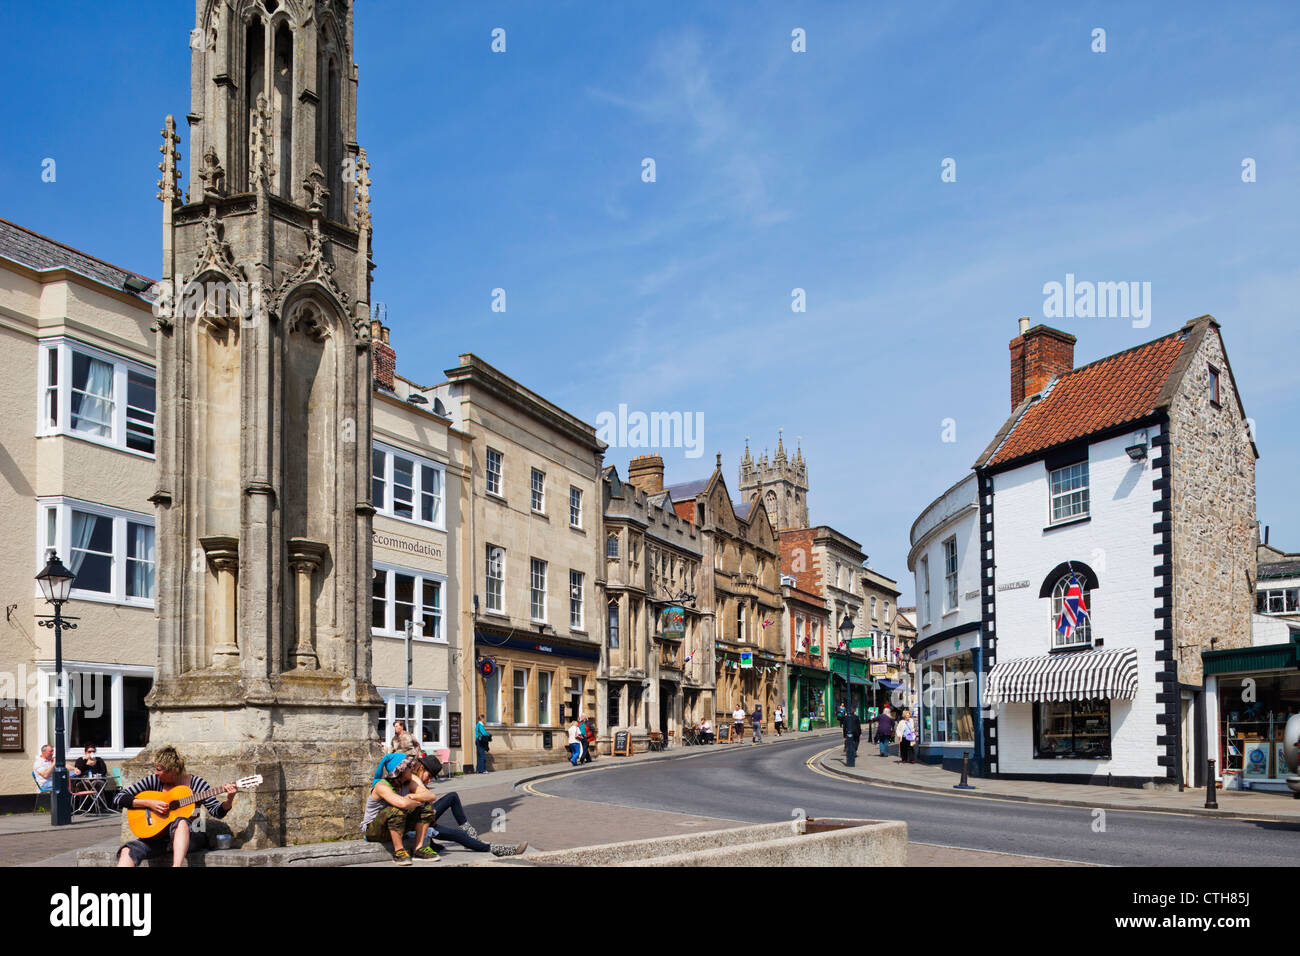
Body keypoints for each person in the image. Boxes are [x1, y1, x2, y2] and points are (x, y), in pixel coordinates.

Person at [114, 746, 237, 867]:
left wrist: (229, 799)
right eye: (155, 769)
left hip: (191, 836)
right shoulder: (154, 780)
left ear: (174, 771)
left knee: (181, 822)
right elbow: (119, 798)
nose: (155, 773)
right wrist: (149, 803)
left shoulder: (197, 784)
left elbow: (217, 812)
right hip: (158, 838)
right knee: (127, 850)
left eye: (159, 770)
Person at [411, 756, 526, 857]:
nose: (429, 780)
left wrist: (429, 814)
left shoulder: (417, 780)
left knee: (452, 796)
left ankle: (472, 834)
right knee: (459, 835)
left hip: (425, 819)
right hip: (417, 825)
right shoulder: (412, 781)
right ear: (421, 768)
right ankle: (497, 849)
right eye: (429, 776)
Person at [362, 755, 436, 864]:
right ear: (400, 770)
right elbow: (401, 803)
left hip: (397, 825)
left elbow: (431, 796)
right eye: (409, 766)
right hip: (374, 831)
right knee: (396, 810)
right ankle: (399, 852)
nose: (412, 768)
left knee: (426, 808)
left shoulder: (408, 783)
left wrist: (412, 797)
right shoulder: (381, 786)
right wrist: (415, 802)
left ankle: (418, 849)